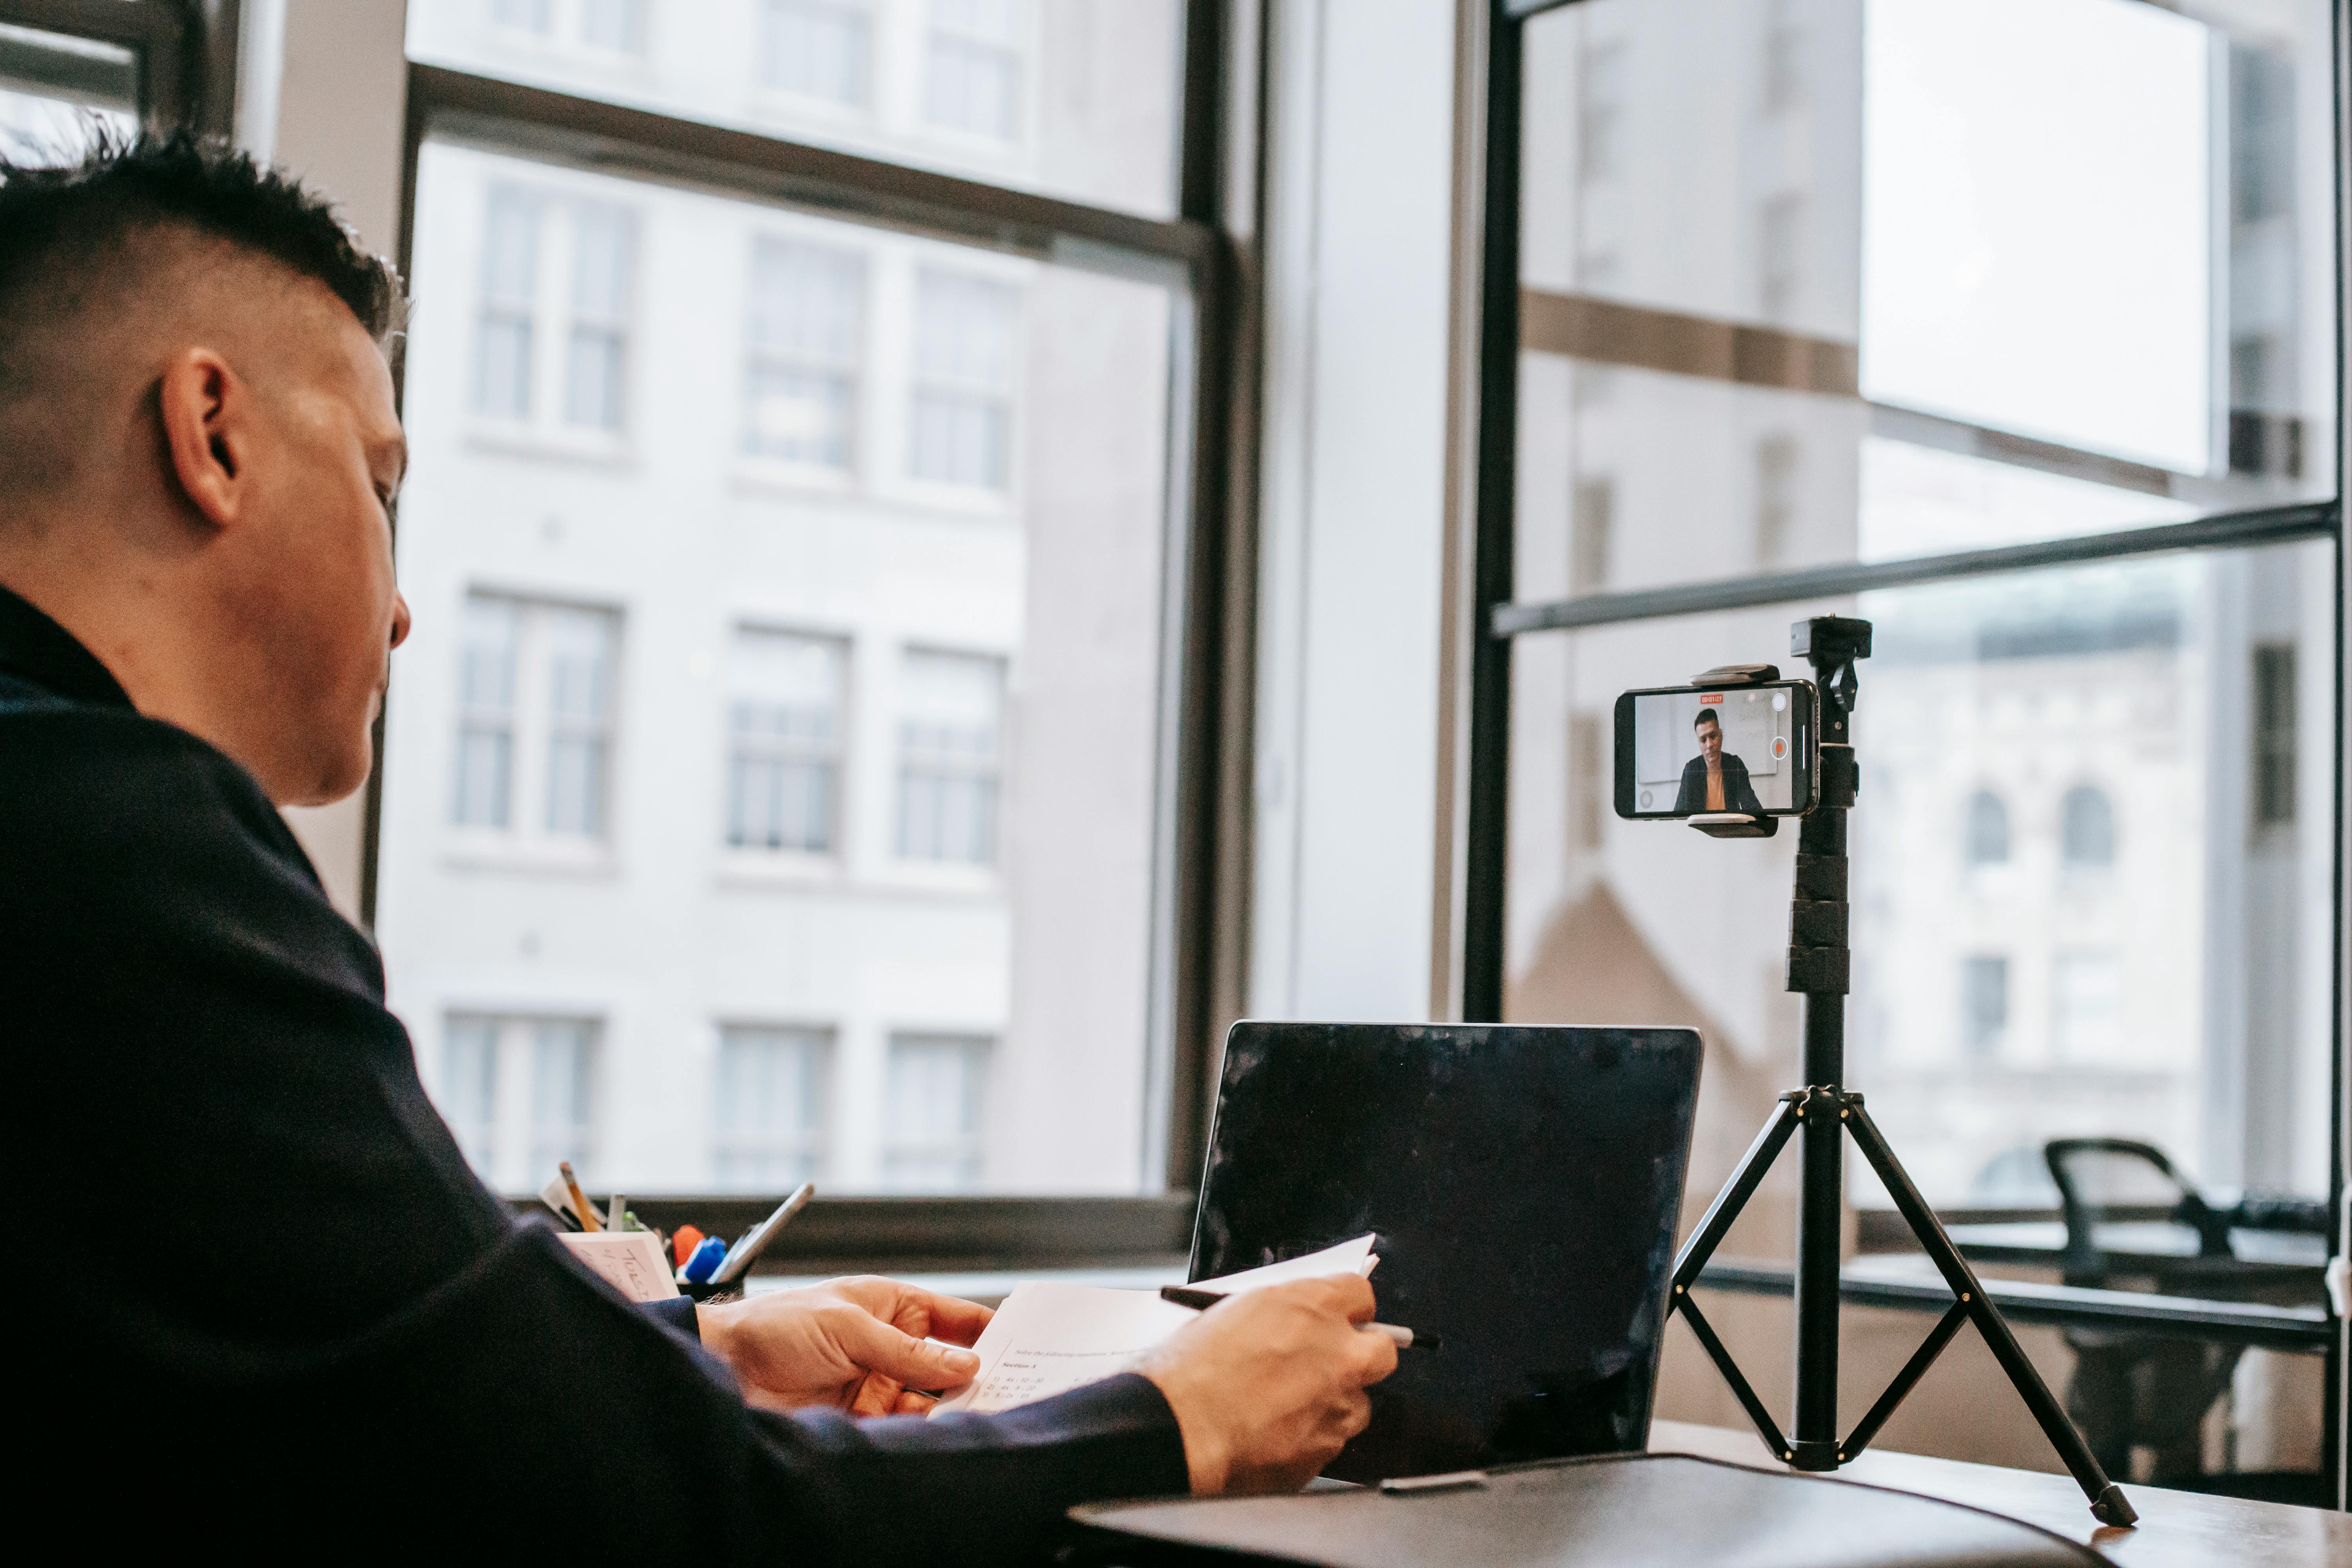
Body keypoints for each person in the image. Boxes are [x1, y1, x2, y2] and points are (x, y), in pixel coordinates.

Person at [0, 136, 1395, 1555]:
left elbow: (329, 1392)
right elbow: (686, 1525)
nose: (402, 605)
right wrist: (1176, 1417)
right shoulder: (112, 837)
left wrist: (693, 1347)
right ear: (211, 428)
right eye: (379, 479)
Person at [1671, 706, 1764, 815]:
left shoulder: (1735, 765)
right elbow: (1679, 816)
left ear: (1721, 735)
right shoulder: (1692, 770)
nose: (1709, 745)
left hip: (1729, 830)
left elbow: (1752, 806)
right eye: (1703, 740)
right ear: (1699, 743)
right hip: (1700, 831)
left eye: (1713, 736)